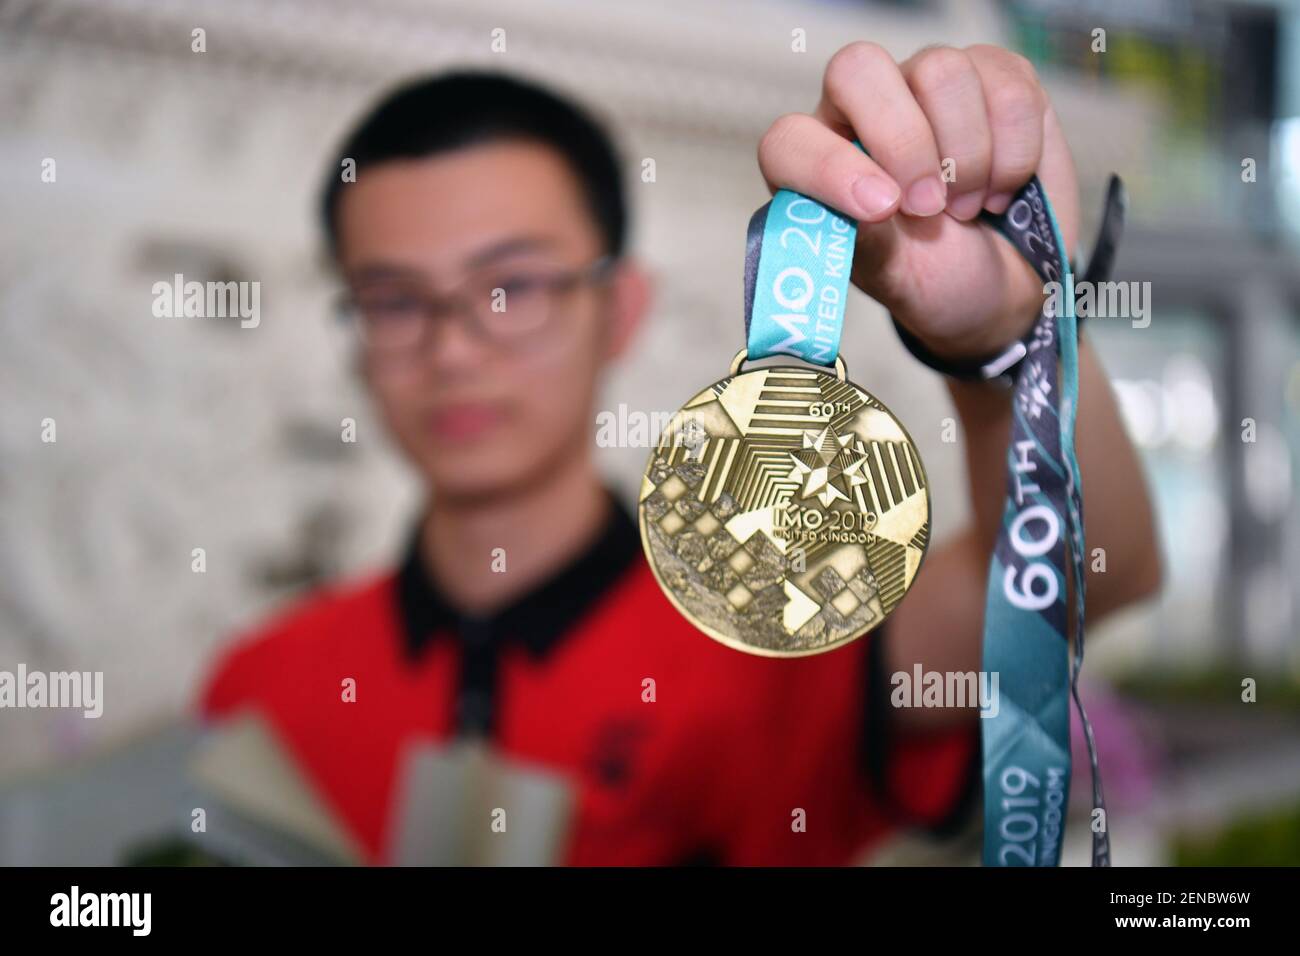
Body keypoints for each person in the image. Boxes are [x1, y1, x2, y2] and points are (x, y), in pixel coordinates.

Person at [199, 42, 1161, 865]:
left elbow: (1092, 578)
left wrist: (1002, 346)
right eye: (395, 300)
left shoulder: (777, 625)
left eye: (512, 286)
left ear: (620, 309)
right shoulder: (261, 691)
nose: (452, 349)